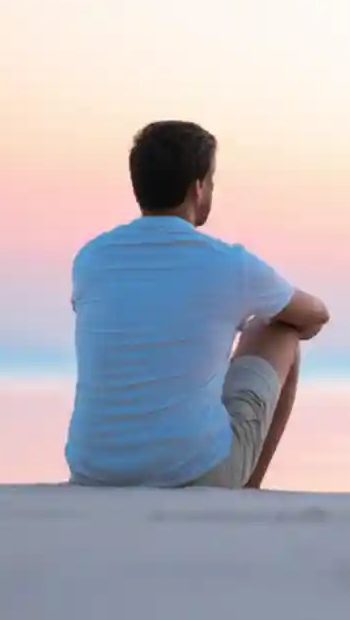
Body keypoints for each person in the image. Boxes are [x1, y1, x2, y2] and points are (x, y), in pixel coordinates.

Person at [65, 121, 328, 489]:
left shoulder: (91, 258)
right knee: (279, 329)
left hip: (94, 470)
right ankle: (244, 490)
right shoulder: (228, 263)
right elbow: (315, 314)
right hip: (192, 472)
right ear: (198, 188)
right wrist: (287, 319)